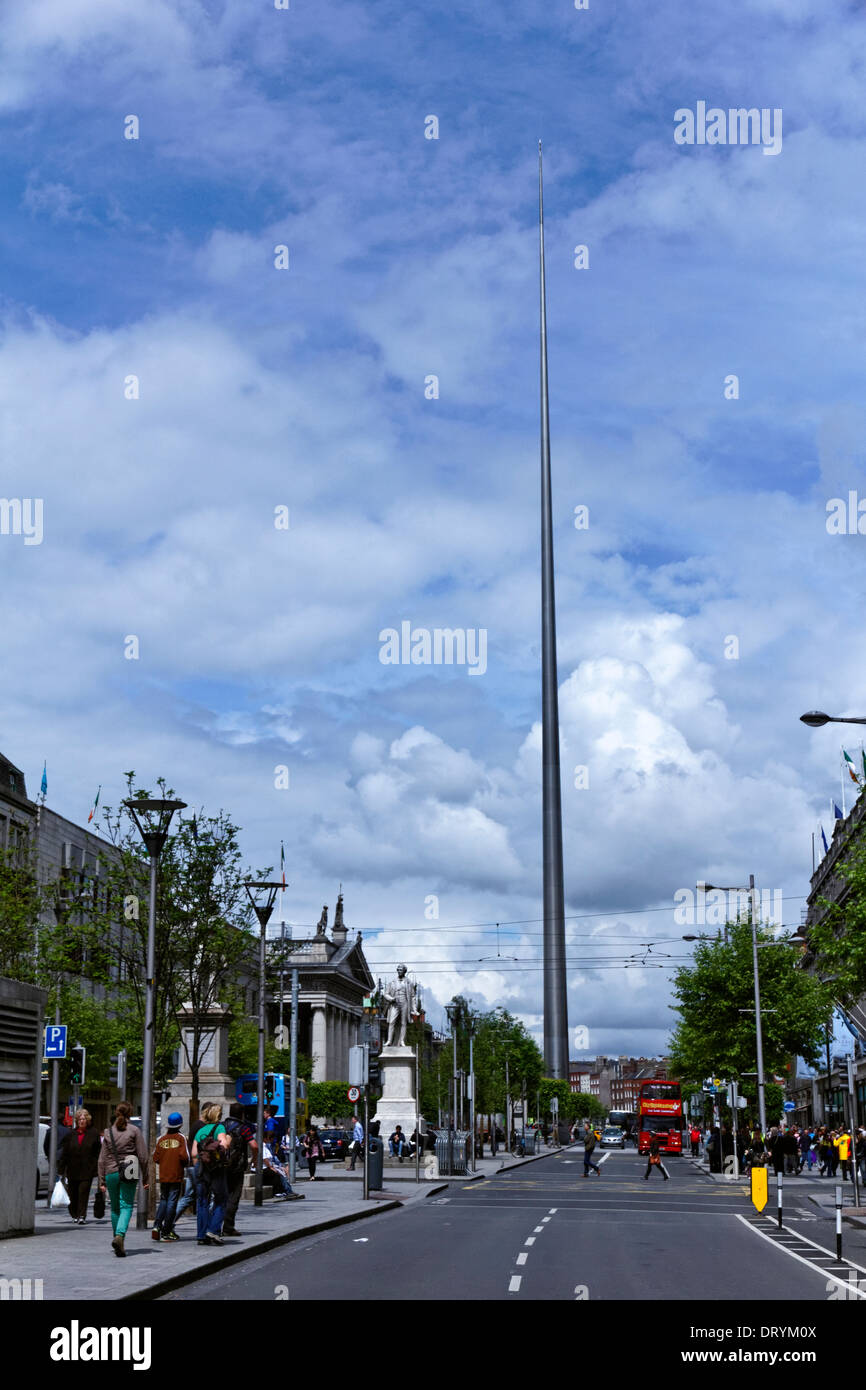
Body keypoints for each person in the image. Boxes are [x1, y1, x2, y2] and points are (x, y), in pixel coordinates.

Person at [97, 1101, 149, 1258]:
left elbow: (101, 1159)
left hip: (111, 1172)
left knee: (114, 1208)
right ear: (130, 1113)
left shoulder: (108, 1132)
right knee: (126, 1205)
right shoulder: (134, 1130)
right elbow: (143, 1156)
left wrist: (101, 1180)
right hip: (129, 1170)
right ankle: (119, 1235)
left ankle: (117, 1238)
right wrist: (145, 1177)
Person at [191, 1103, 229, 1247]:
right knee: (221, 1198)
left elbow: (194, 1153)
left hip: (200, 1168)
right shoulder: (219, 1128)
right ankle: (213, 1230)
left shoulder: (200, 1131)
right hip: (215, 1169)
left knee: (202, 1201)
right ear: (218, 1116)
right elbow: (224, 1145)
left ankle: (201, 1235)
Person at [58, 1108, 102, 1224]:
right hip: (72, 1170)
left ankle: (82, 1215)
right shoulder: (71, 1134)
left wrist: (96, 1168)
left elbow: (98, 1152)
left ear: (87, 1120)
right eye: (80, 1119)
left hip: (87, 1170)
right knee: (72, 1194)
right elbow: (65, 1153)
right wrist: (61, 1170)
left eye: (84, 1119)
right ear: (77, 1121)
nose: (82, 1121)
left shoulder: (94, 1133)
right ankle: (74, 1214)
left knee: (83, 1193)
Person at [152, 1112, 189, 1242]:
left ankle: (157, 1226)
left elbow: (155, 1157)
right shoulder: (181, 1138)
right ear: (180, 1124)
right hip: (176, 1174)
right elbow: (185, 1157)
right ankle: (167, 1231)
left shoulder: (161, 1139)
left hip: (164, 1175)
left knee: (163, 1200)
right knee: (172, 1201)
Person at [222, 1103, 258, 1236]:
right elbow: (254, 1145)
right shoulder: (243, 1128)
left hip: (221, 1165)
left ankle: (214, 1225)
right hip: (236, 1166)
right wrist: (254, 1159)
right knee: (233, 1196)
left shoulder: (222, 1125)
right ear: (242, 1114)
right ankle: (228, 1227)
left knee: (221, 1196)